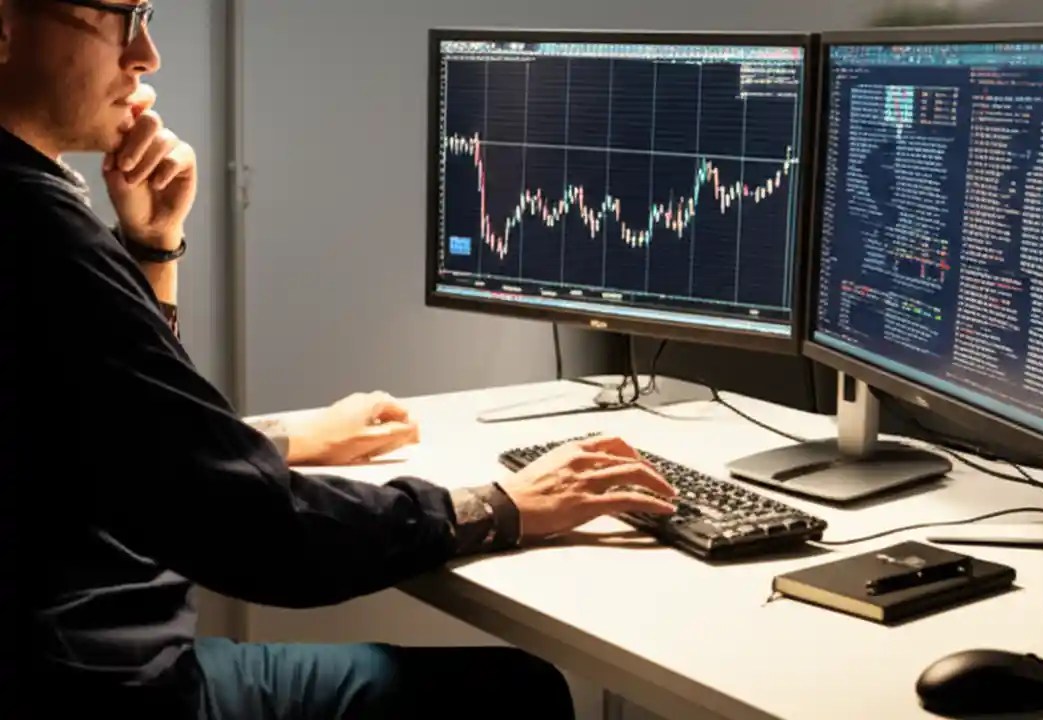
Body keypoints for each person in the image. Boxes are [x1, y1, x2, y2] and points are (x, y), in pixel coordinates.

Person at [0, 1, 680, 717]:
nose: (146, 55)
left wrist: (155, 248)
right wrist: (496, 507)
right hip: (113, 687)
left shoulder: (32, 208)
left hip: (75, 663)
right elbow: (256, 533)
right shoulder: (43, 234)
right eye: (119, 14)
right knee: (517, 694)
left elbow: (122, 435)